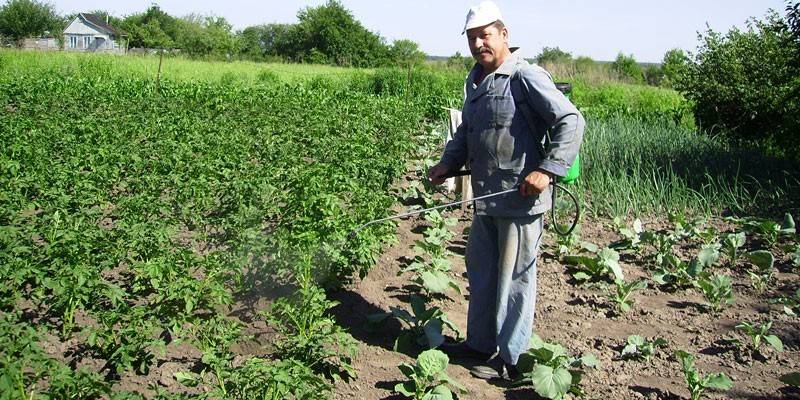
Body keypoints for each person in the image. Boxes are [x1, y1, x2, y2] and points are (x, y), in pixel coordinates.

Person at [427, 0, 585, 381]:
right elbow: (467, 130)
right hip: (485, 200)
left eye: (485, 35)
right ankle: (479, 344)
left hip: (519, 200)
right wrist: (447, 163)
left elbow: (570, 120)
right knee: (480, 274)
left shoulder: (525, 76)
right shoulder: (476, 80)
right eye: (472, 38)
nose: (479, 43)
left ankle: (510, 359)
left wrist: (547, 170)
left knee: (515, 281)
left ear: (504, 35)